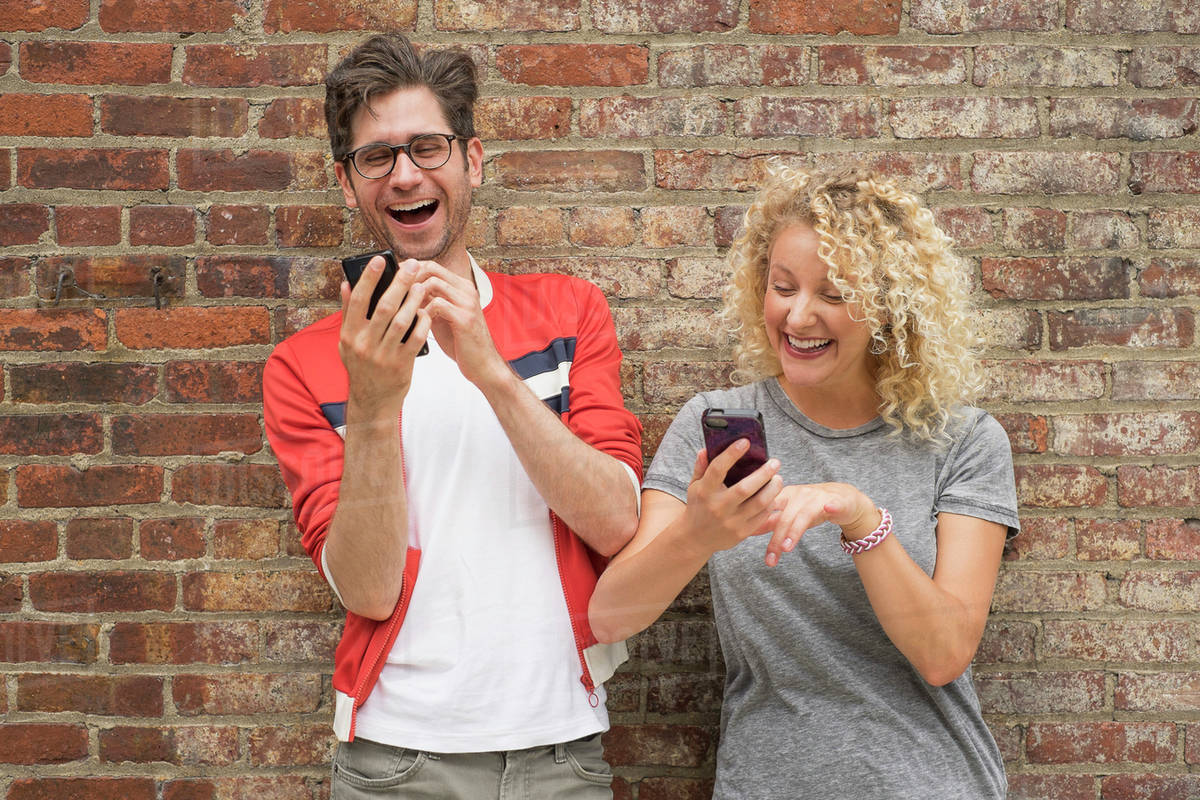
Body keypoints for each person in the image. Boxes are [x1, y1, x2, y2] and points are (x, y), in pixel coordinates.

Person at [262, 33, 643, 799]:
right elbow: (366, 592)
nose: (405, 175)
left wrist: (490, 371)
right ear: (347, 183)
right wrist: (372, 408)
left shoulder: (571, 313)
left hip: (560, 753)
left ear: (471, 160)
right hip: (395, 762)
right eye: (376, 157)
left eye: (427, 147)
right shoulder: (303, 365)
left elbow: (616, 524)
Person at [589, 166, 1020, 799]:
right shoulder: (713, 429)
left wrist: (861, 519)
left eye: (836, 293)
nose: (798, 314)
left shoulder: (963, 442)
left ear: (890, 307)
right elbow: (610, 615)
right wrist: (697, 534)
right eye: (782, 287)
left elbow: (943, 653)